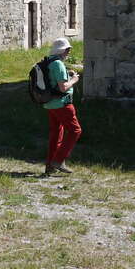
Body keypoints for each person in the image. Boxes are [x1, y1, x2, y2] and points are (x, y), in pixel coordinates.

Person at [43, 38, 82, 175]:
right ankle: (58, 161)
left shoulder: (48, 61)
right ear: (62, 50)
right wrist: (74, 79)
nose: (68, 52)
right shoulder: (58, 64)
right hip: (62, 103)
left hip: (50, 103)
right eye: (67, 50)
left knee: (56, 133)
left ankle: (50, 166)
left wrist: (67, 75)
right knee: (75, 130)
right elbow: (63, 87)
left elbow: (54, 80)